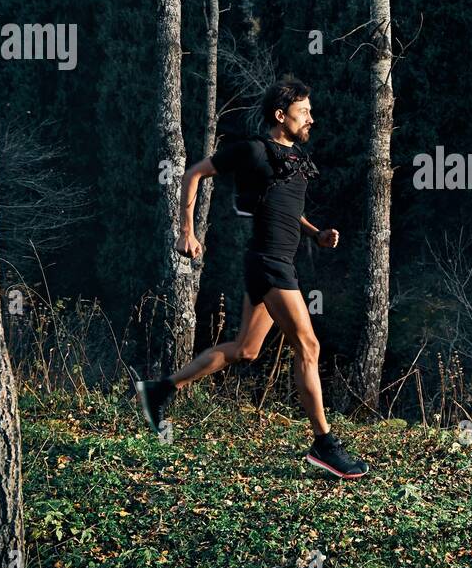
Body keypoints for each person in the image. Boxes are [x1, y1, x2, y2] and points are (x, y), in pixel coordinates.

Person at [133, 76, 370, 479]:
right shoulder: (253, 150)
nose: (311, 118)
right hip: (269, 262)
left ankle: (159, 390)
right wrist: (186, 231)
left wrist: (316, 233)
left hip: (276, 262)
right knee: (309, 347)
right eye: (304, 112)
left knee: (246, 349)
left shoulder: (294, 159)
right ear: (281, 115)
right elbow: (193, 174)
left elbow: (284, 207)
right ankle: (324, 445)